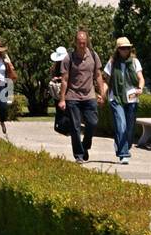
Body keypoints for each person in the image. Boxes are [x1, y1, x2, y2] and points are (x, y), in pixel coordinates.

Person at [57, 28, 105, 163]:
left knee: (93, 123)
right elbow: (64, 80)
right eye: (79, 42)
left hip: (89, 95)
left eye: (84, 42)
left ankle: (85, 146)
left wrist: (101, 93)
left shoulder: (94, 56)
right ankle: (78, 154)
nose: (82, 45)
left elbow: (98, 75)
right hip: (73, 97)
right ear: (75, 42)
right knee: (75, 127)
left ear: (87, 42)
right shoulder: (68, 58)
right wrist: (62, 99)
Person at [104, 37, 145, 164]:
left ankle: (121, 145)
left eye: (127, 48)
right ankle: (123, 153)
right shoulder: (112, 63)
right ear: (118, 49)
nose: (125, 50)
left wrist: (140, 88)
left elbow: (141, 78)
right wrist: (102, 95)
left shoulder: (134, 62)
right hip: (116, 98)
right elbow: (106, 80)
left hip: (132, 99)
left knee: (130, 128)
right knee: (121, 125)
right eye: (122, 48)